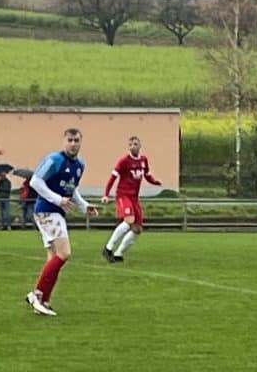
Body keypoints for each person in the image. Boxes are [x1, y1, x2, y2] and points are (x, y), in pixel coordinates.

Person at [25, 127, 98, 316]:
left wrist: (84, 206)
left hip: (57, 212)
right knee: (64, 253)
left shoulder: (80, 164)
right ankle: (37, 295)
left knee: (54, 259)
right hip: (47, 211)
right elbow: (35, 182)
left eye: (76, 141)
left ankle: (44, 301)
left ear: (81, 142)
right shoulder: (55, 160)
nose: (73, 144)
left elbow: (72, 190)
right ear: (64, 141)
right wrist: (57, 199)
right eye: (70, 140)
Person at [101, 134, 164, 263]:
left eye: (135, 144)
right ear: (128, 147)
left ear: (140, 146)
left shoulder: (144, 160)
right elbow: (112, 178)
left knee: (137, 229)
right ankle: (108, 248)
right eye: (130, 144)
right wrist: (106, 194)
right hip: (123, 195)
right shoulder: (124, 161)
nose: (133, 146)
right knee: (129, 220)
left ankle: (119, 253)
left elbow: (147, 175)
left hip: (134, 197)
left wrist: (155, 182)